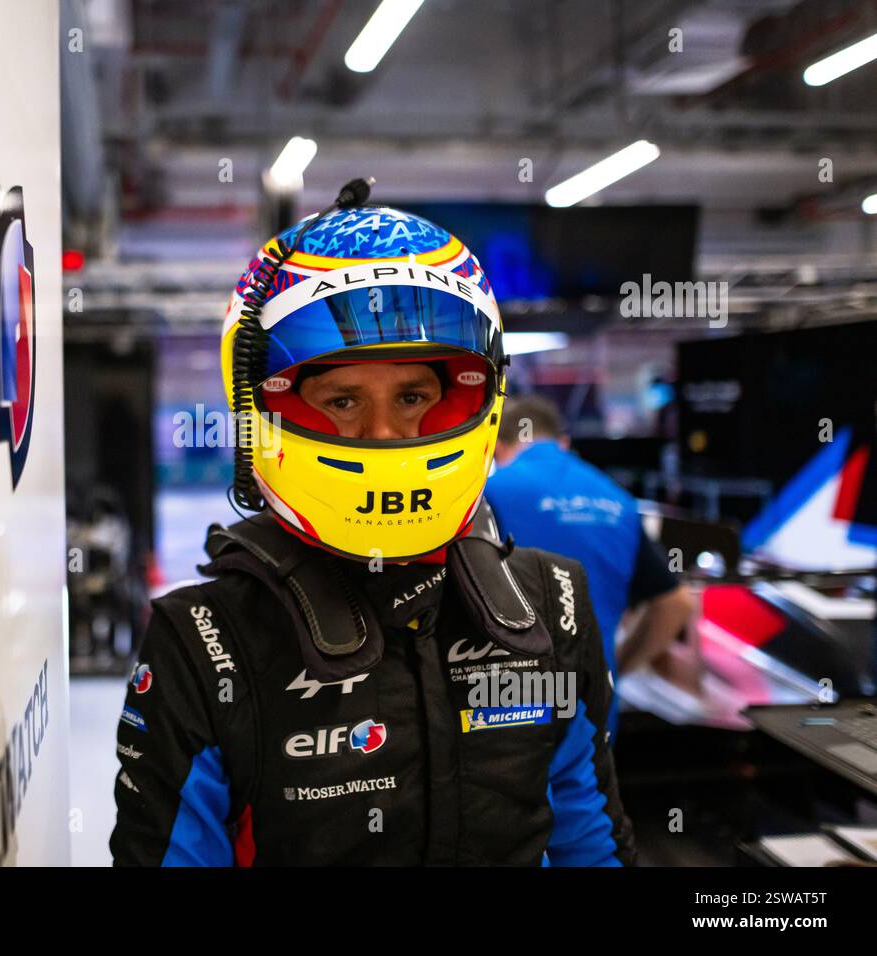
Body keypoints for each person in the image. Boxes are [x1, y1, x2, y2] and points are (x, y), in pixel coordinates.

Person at [109, 188, 636, 866]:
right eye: (342, 400)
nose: (385, 434)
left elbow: (589, 842)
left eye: (414, 397)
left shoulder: (551, 601)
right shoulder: (204, 641)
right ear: (260, 411)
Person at [485, 395, 699, 738]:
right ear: (564, 442)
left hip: (504, 704)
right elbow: (676, 604)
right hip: (592, 706)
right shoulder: (619, 501)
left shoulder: (490, 493)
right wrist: (618, 666)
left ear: (497, 447)